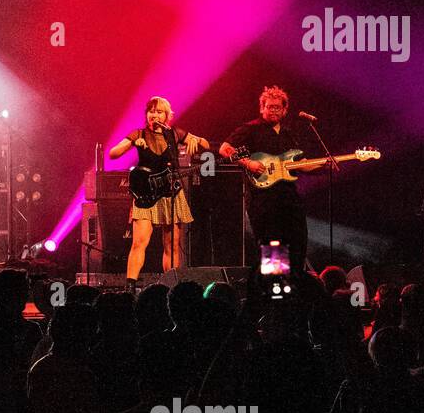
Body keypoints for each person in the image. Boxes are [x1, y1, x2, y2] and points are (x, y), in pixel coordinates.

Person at [218, 85, 326, 273]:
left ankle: (295, 282)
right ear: (262, 108)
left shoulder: (288, 133)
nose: (273, 110)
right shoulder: (251, 129)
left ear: (285, 110)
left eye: (277, 107)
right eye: (269, 106)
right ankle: (274, 286)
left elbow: (301, 164)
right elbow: (225, 148)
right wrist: (248, 163)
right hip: (263, 199)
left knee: (298, 241)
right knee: (272, 244)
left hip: (289, 198)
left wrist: (325, 164)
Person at [108, 97, 212, 289]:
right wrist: (131, 144)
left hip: (170, 192)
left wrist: (196, 140)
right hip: (146, 193)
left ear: (167, 116)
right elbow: (112, 153)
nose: (154, 115)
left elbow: (205, 144)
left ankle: (170, 287)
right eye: (151, 111)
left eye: (159, 112)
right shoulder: (139, 133)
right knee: (139, 242)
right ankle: (129, 288)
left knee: (172, 245)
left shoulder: (173, 134)